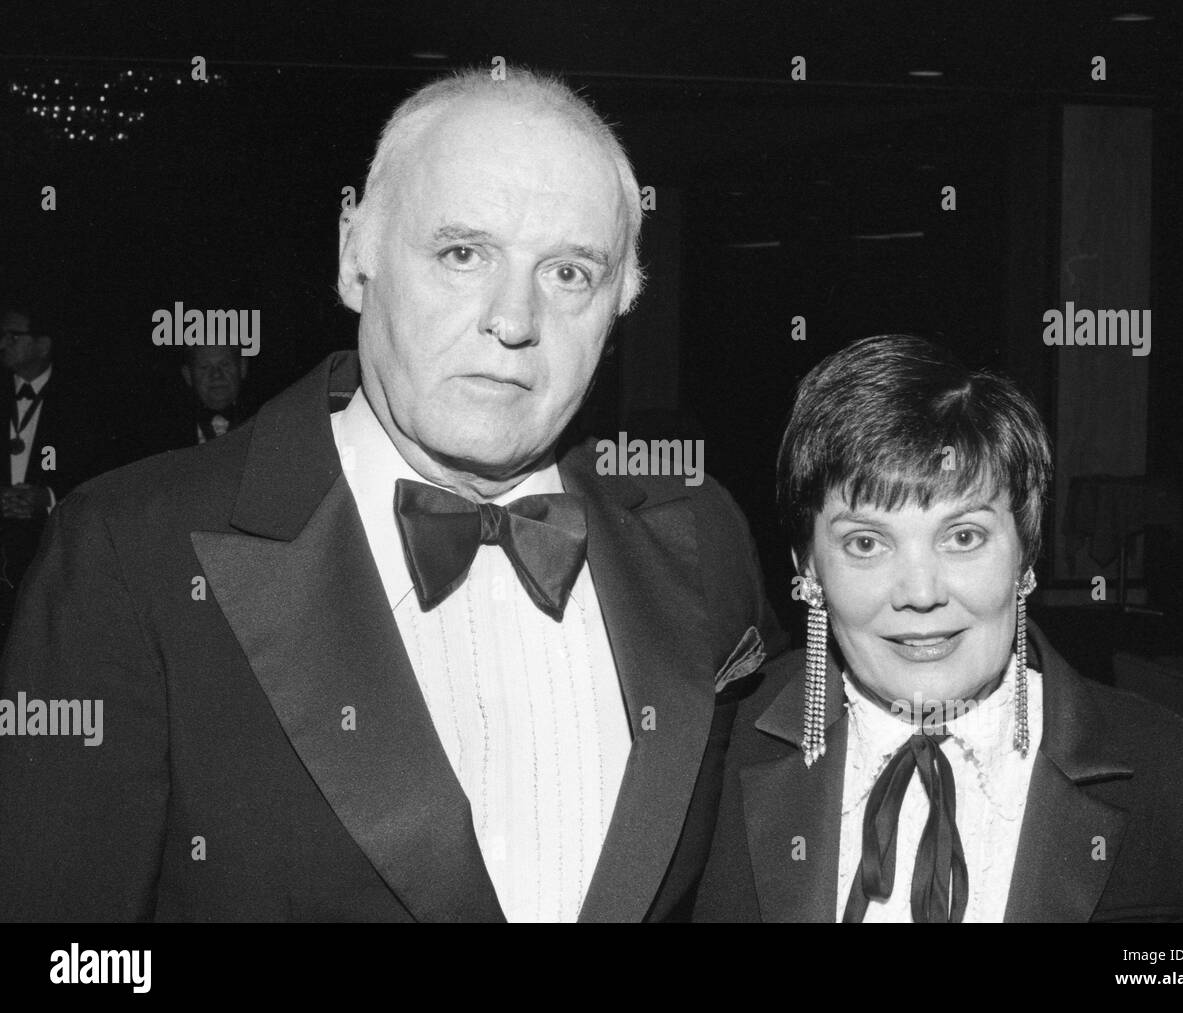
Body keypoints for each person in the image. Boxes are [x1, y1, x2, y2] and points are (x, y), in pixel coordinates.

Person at [0, 67, 782, 922]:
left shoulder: (693, 528)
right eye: (462, 253)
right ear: (354, 255)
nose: (513, 319)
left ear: (620, 304)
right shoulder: (129, 552)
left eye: (568, 273)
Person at [695, 334, 1183, 922]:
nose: (922, 592)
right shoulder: (710, 764)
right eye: (866, 542)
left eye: (963, 537)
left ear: (1025, 553)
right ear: (809, 569)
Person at [0, 301, 119, 643]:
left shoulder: (83, 402)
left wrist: (48, 498)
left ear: (43, 344)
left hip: (55, 554)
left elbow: (100, 470)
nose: (2, 342)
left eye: (13, 335)